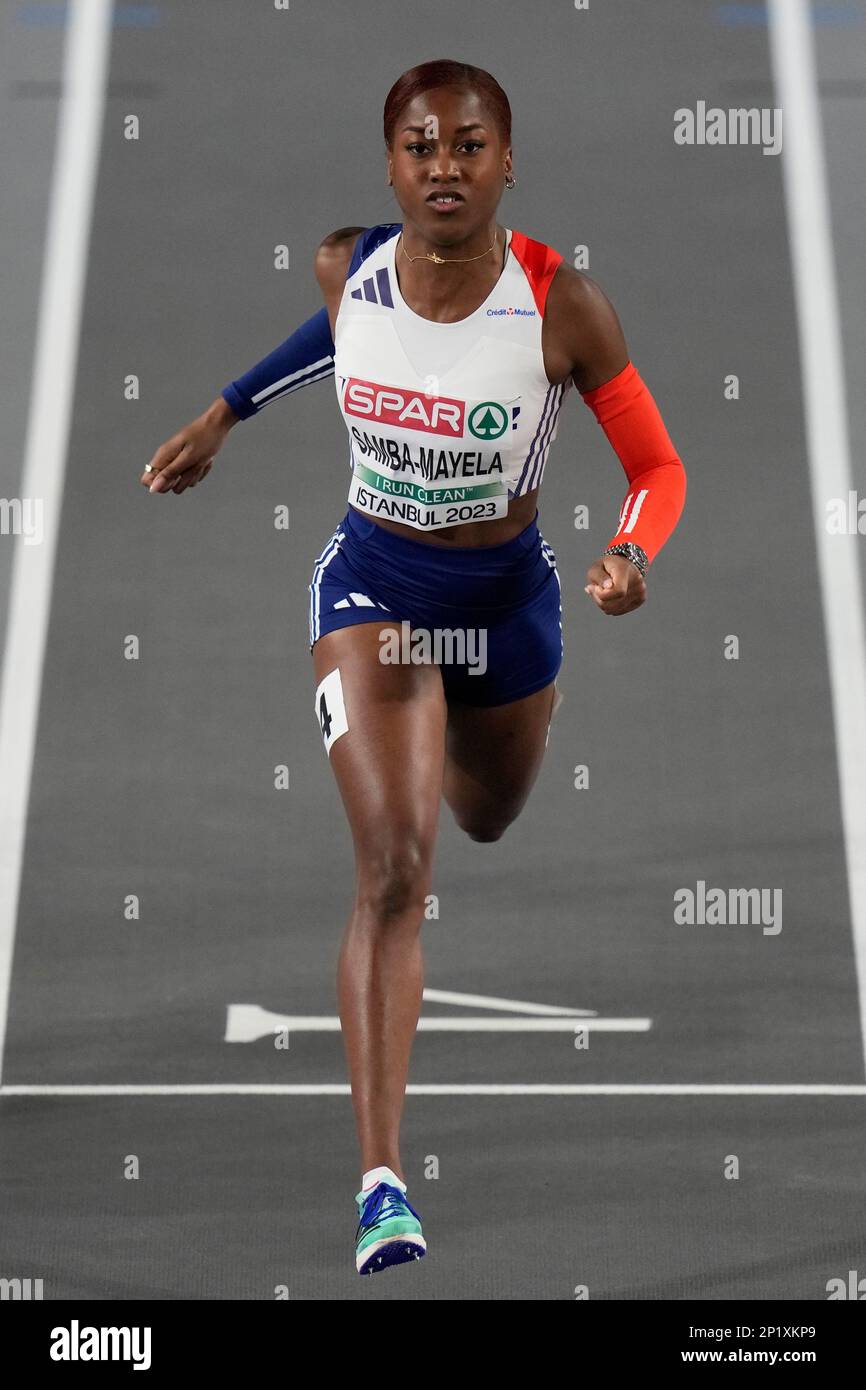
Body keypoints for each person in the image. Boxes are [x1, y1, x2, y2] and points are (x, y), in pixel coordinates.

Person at [140, 58, 686, 1278]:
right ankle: (382, 1182)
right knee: (394, 867)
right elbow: (322, 338)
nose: (444, 166)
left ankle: (442, 735)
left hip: (507, 608)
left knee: (485, 819)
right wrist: (224, 415)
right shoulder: (351, 265)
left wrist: (631, 554)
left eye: (469, 145)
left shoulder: (560, 304)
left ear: (506, 161)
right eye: (420, 147)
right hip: (374, 591)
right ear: (391, 165)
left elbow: (658, 468)